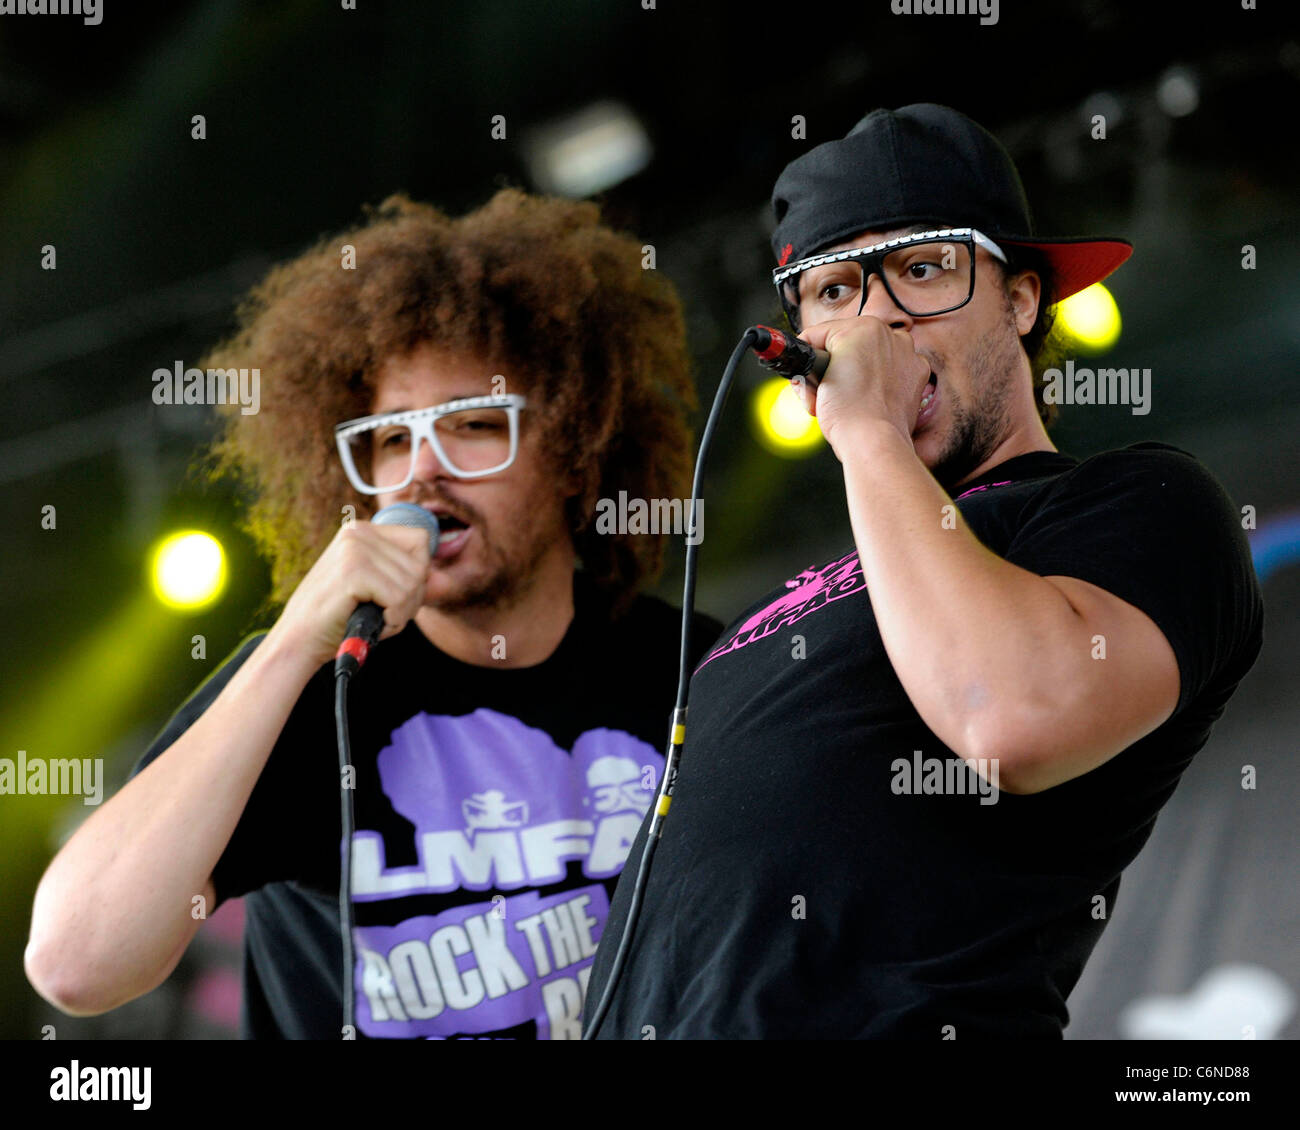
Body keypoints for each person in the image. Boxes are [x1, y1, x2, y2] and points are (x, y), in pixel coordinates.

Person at [584, 103, 1264, 1039]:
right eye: (830, 292)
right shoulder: (783, 604)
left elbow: (1011, 717)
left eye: (921, 268)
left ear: (1023, 299)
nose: (876, 321)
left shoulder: (1136, 503)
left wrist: (868, 435)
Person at [25, 189, 721, 1040]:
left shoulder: (696, 668)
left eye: (472, 424)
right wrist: (287, 647)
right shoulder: (309, 687)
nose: (423, 470)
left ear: (577, 449)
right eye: (390, 439)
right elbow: (75, 963)